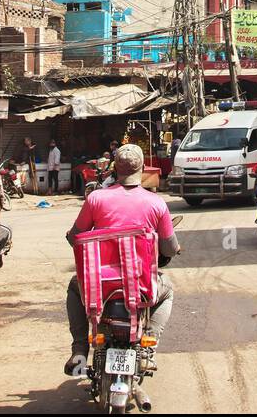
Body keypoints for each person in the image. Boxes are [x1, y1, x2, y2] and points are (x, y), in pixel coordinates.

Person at [64, 144, 180, 375]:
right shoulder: (156, 203)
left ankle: (79, 350)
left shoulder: (96, 198)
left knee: (74, 288)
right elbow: (168, 248)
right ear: (142, 170)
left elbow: (75, 237)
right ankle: (149, 345)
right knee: (167, 292)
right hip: (141, 284)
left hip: (100, 285)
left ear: (115, 168)